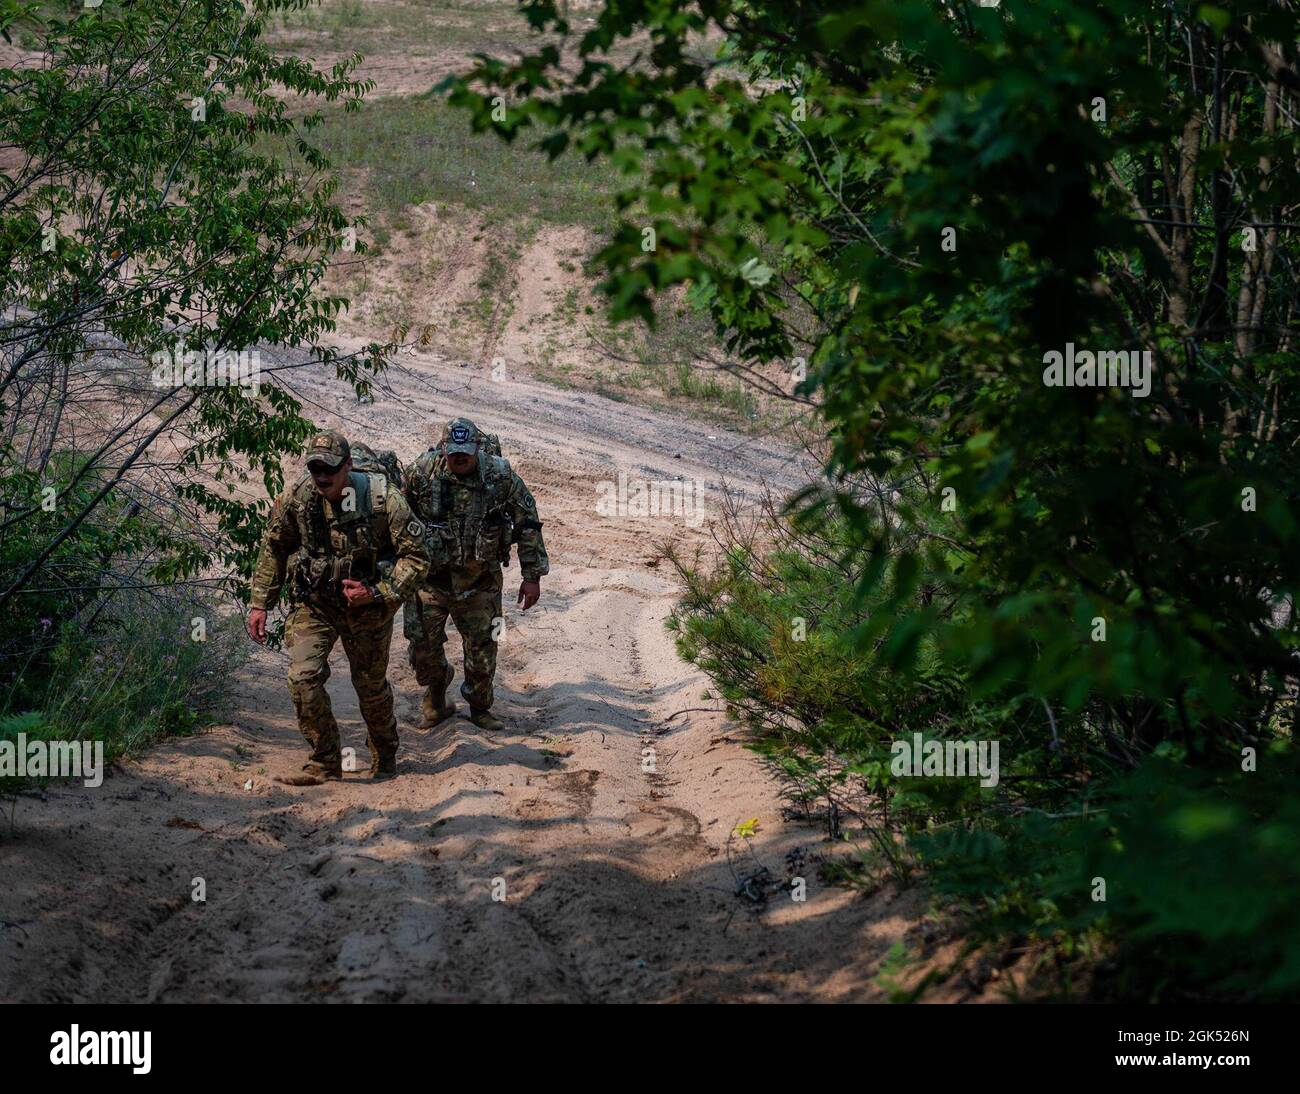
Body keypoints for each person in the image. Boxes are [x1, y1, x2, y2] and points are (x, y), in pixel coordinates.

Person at [245, 430, 429, 783]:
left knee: (370, 688)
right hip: (316, 604)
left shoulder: (383, 500)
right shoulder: (299, 498)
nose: (322, 477)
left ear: (348, 466)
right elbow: (275, 547)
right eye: (315, 469)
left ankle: (385, 754)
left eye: (329, 469)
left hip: (368, 608)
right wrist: (260, 603)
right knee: (303, 678)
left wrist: (377, 591)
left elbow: (418, 559)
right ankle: (325, 759)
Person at [402, 417, 549, 731]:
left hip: (480, 581)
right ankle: (437, 691)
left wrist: (532, 574)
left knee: (484, 649)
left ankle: (480, 708)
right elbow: (396, 514)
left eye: (465, 451)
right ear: (443, 448)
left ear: (478, 448)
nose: (459, 457)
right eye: (453, 451)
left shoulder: (500, 474)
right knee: (422, 647)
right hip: (431, 581)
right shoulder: (420, 472)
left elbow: (528, 521)